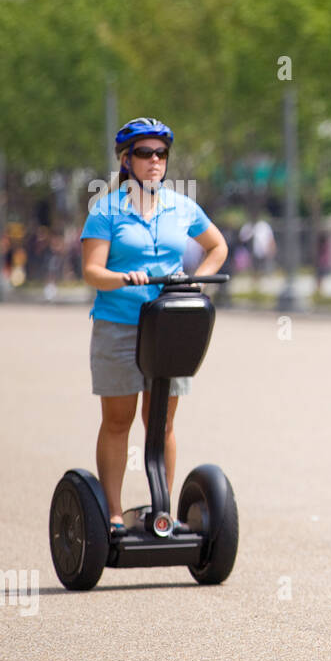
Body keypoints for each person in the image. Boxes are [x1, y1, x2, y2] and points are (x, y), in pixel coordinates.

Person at [80, 117, 228, 533]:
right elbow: (92, 271)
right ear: (126, 161)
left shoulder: (182, 207)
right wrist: (123, 277)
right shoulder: (106, 210)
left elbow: (217, 246)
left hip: (170, 323)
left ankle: (163, 510)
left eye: (161, 154)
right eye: (144, 153)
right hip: (120, 323)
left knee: (161, 421)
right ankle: (112, 513)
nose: (154, 161)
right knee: (117, 420)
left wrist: (197, 280)